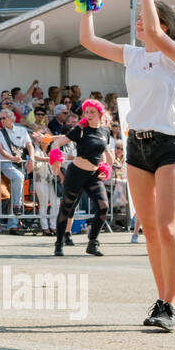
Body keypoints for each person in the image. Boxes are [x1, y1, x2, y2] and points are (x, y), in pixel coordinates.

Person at [77, 0, 175, 332]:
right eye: (138, 19)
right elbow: (88, 39)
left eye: (143, 19)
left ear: (161, 23)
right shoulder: (132, 56)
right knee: (148, 227)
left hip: (170, 144)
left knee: (166, 227)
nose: (138, 24)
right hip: (138, 145)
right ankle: (163, 301)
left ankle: (171, 303)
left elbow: (160, 37)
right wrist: (87, 2)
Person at [50, 99, 113, 256]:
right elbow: (57, 143)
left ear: (100, 114)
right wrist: (56, 159)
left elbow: (103, 154)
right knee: (66, 208)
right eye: (86, 112)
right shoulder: (80, 130)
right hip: (76, 173)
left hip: (93, 175)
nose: (89, 115)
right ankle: (59, 243)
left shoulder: (105, 131)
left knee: (103, 206)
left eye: (92, 112)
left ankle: (92, 242)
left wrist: (105, 167)